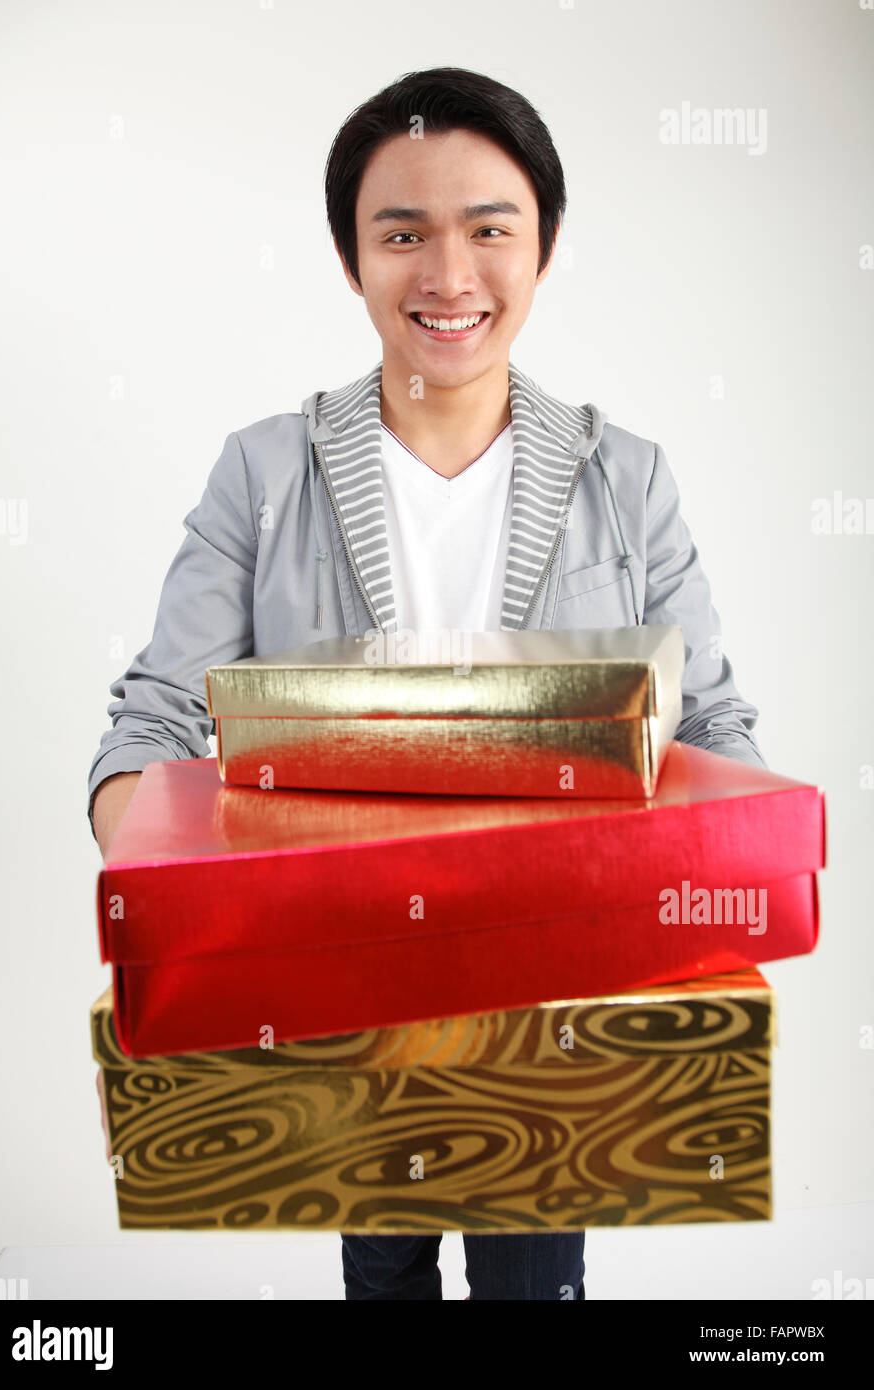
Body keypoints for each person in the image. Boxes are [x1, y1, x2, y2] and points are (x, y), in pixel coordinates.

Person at [88, 67, 766, 1300]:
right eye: (402, 234)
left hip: (552, 1001)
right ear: (351, 259)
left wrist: (733, 891)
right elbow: (154, 720)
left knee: (532, 1285)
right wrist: (170, 912)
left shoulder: (630, 480)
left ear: (542, 247)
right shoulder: (264, 474)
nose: (450, 275)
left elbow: (712, 724)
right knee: (382, 1277)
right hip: (343, 994)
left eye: (489, 229)